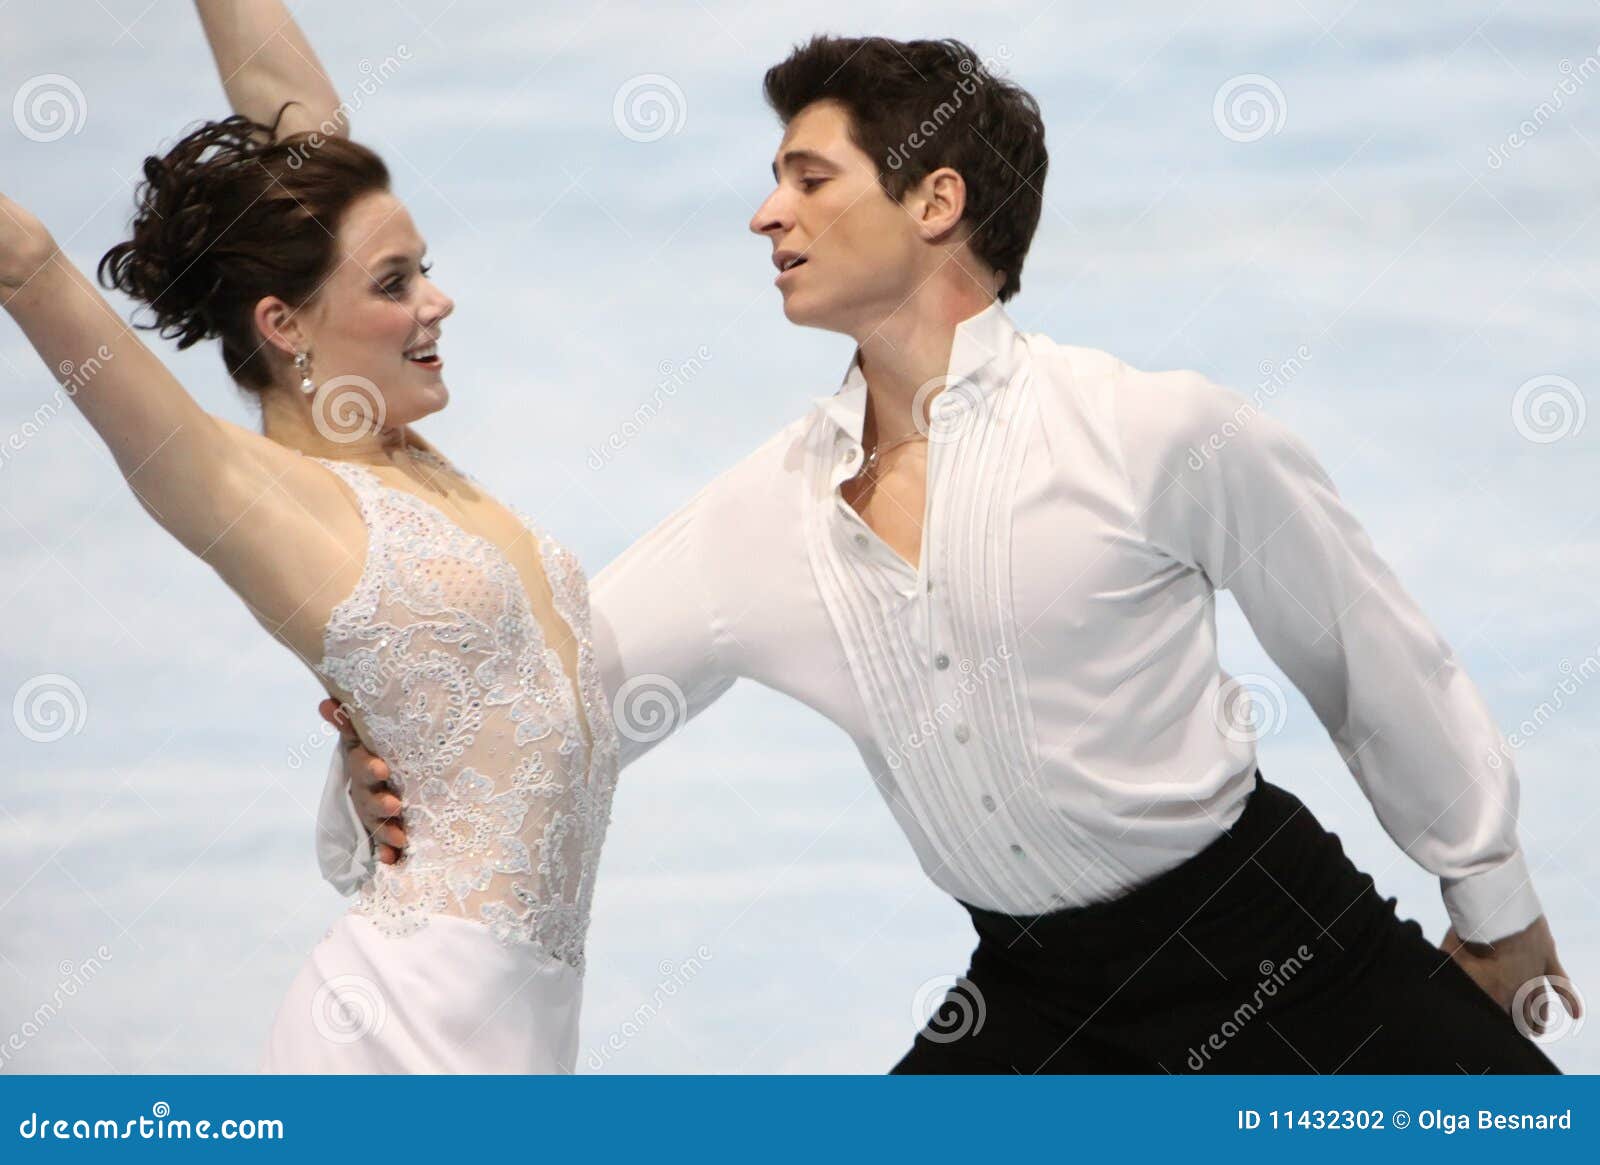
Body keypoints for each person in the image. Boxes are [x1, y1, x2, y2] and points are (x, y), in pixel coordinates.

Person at [320, 34, 1579, 1073]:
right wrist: (386, 759)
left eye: (811, 180)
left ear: (935, 199)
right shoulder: (763, 513)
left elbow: (1363, 650)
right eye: (775, 181)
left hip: (1281, 955)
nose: (767, 213)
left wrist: (1494, 903)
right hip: (1033, 1005)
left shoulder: (1152, 431)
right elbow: (553, 699)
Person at [0, 0, 619, 1072]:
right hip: (391, 1037)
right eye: (395, 283)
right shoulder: (263, 499)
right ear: (284, 326)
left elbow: (303, 132)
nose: (439, 301)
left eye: (423, 264)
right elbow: (25, 264)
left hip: (527, 1040)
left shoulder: (404, 457)